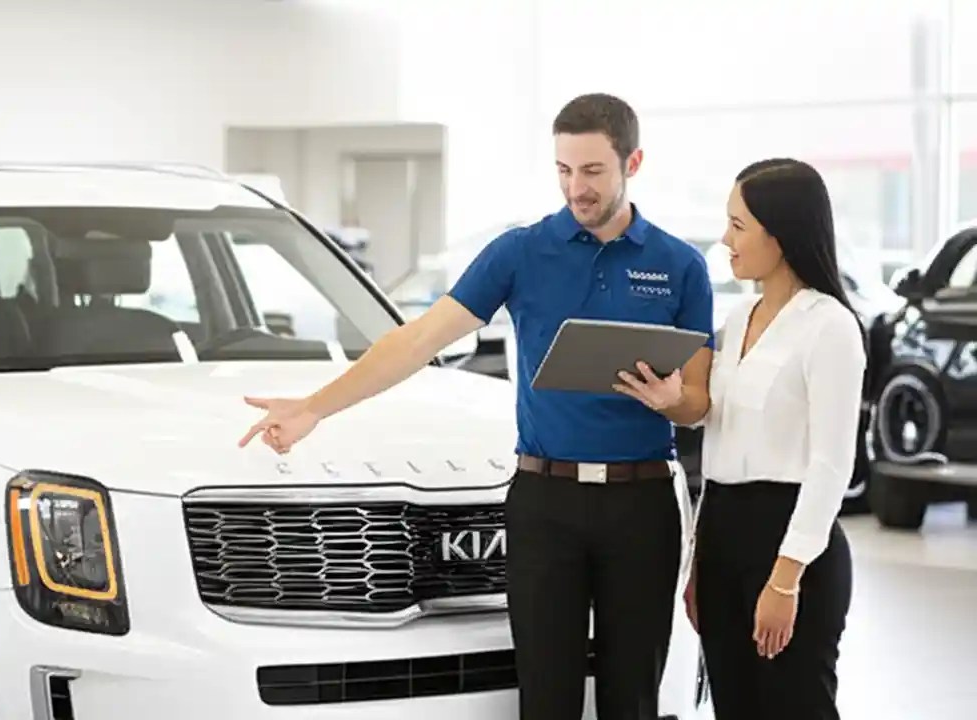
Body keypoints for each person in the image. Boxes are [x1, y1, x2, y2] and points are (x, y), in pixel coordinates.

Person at [238, 92, 715, 720]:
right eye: (565, 170)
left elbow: (700, 404)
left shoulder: (680, 266)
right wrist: (315, 408)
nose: (578, 187)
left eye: (594, 171)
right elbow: (417, 340)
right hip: (546, 503)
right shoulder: (519, 253)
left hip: (643, 503)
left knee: (633, 699)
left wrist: (673, 399)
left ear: (634, 162)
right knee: (546, 697)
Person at [680, 158, 864, 720]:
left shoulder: (829, 326)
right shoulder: (738, 318)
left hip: (789, 543)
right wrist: (699, 563)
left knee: (796, 706)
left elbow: (832, 466)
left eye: (738, 225)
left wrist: (785, 580)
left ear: (778, 235)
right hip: (723, 534)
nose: (725, 239)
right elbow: (720, 439)